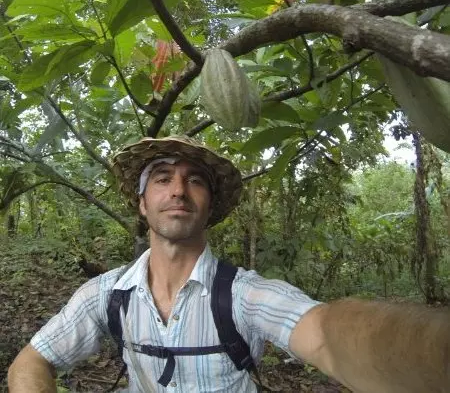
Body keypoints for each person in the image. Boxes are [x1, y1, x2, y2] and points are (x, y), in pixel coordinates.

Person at [8, 136, 450, 393]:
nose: (178, 190)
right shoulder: (106, 295)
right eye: (162, 180)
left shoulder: (244, 295)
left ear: (210, 206)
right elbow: (29, 363)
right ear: (141, 205)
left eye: (194, 181)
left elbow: (329, 336)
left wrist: (437, 352)